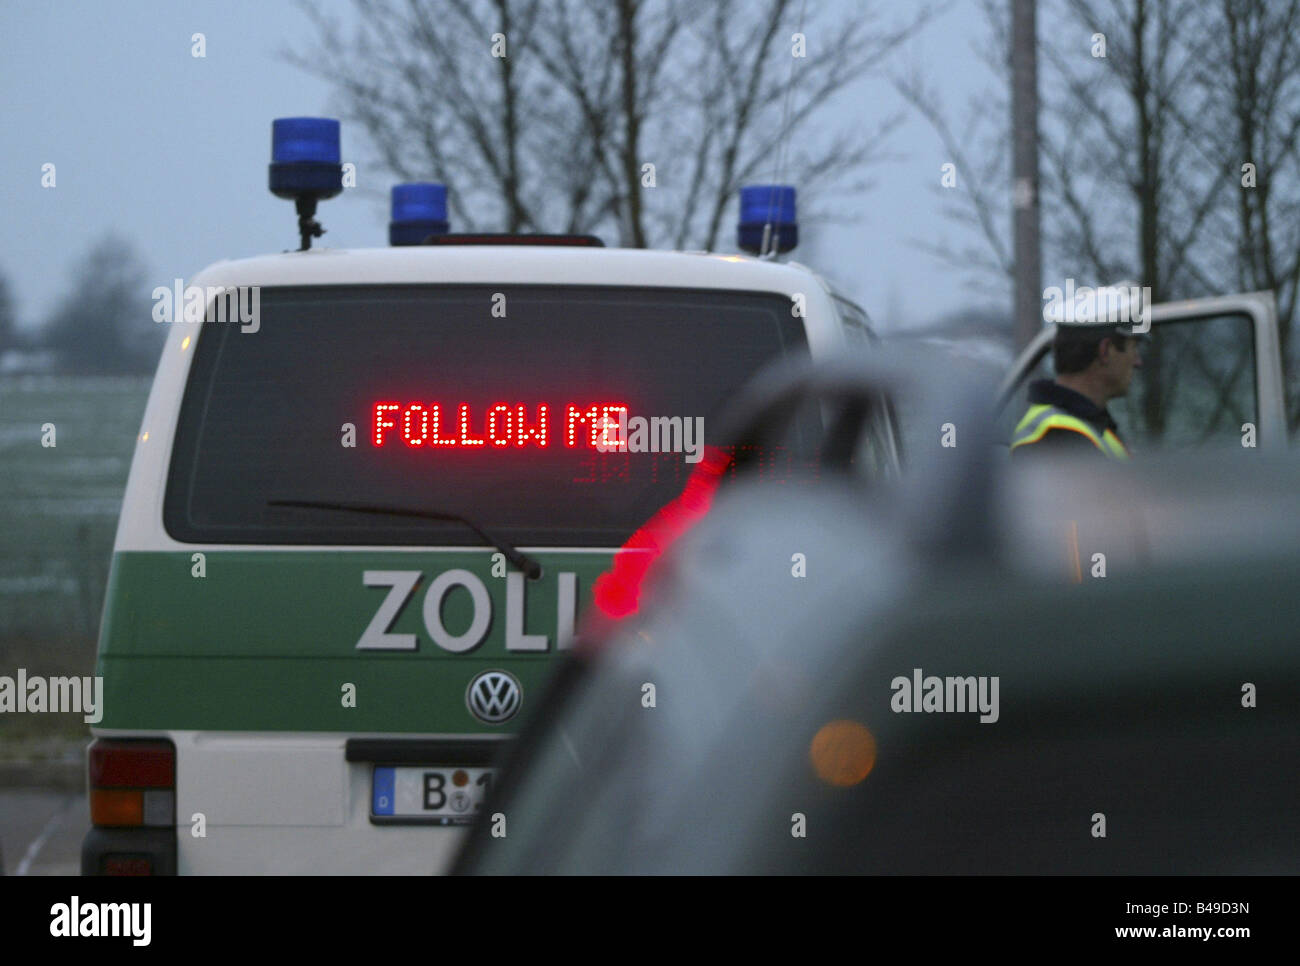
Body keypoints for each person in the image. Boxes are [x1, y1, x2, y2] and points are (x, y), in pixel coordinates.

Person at [1010, 321, 1147, 460]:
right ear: (1105, 350)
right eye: (1134, 347)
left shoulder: (1088, 424)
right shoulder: (1060, 438)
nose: (1138, 362)